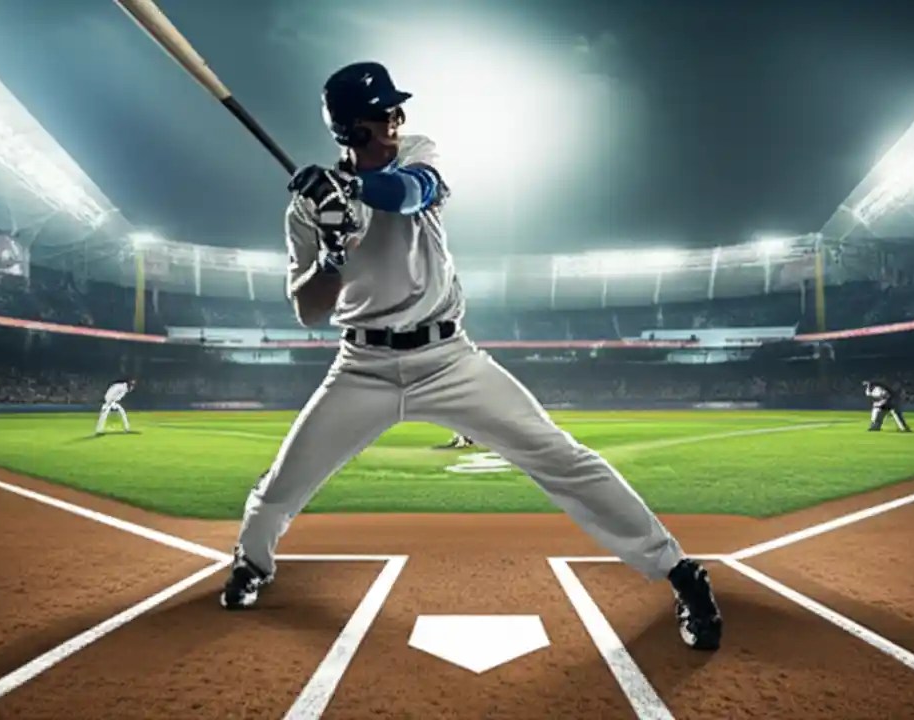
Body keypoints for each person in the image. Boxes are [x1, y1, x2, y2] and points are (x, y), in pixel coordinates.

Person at [219, 61, 722, 651]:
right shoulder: (306, 208)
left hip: (449, 360)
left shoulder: (416, 154)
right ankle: (252, 562)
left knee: (562, 457)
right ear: (351, 130)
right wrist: (331, 249)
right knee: (285, 481)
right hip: (362, 368)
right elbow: (309, 311)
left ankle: (680, 572)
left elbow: (416, 193)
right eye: (384, 115)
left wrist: (351, 191)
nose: (397, 121)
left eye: (397, 111)